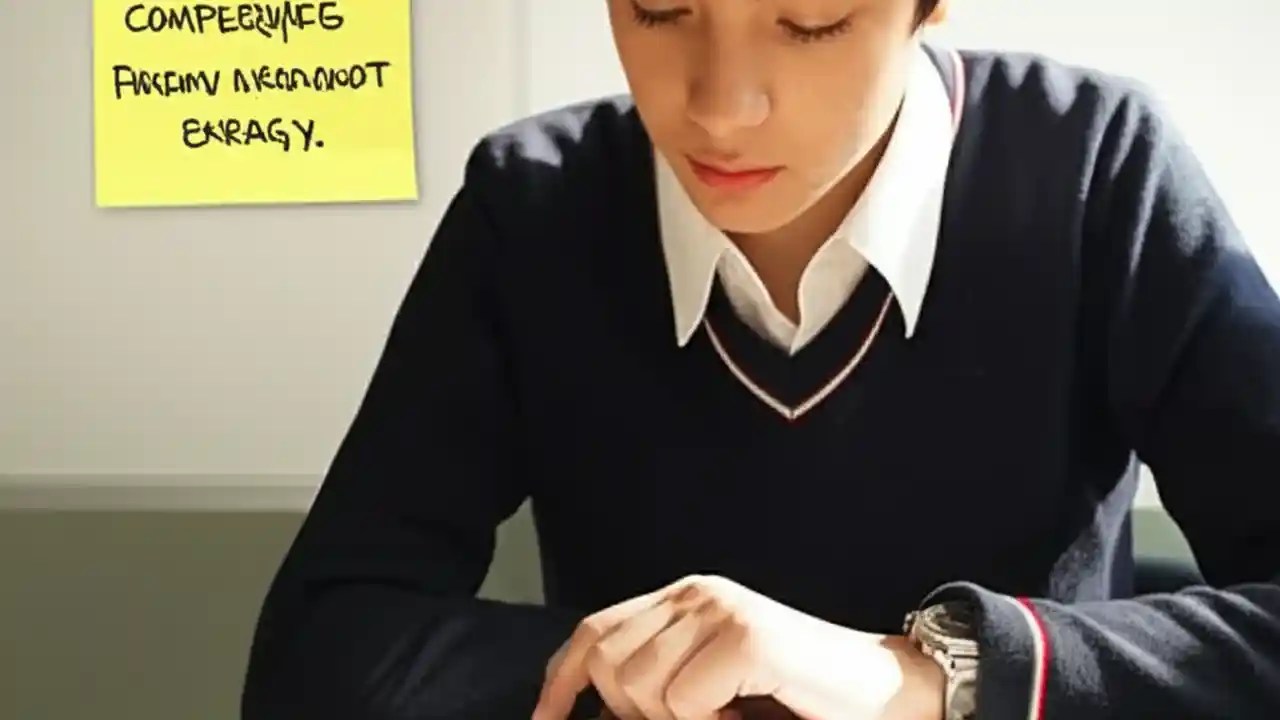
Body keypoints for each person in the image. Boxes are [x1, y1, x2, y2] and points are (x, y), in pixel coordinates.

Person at [240, 0, 1280, 718]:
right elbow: (322, 647)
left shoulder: (1097, 167)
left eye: (809, 17)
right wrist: (665, 677)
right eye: (655, 7)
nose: (717, 106)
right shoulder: (533, 206)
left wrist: (916, 680)